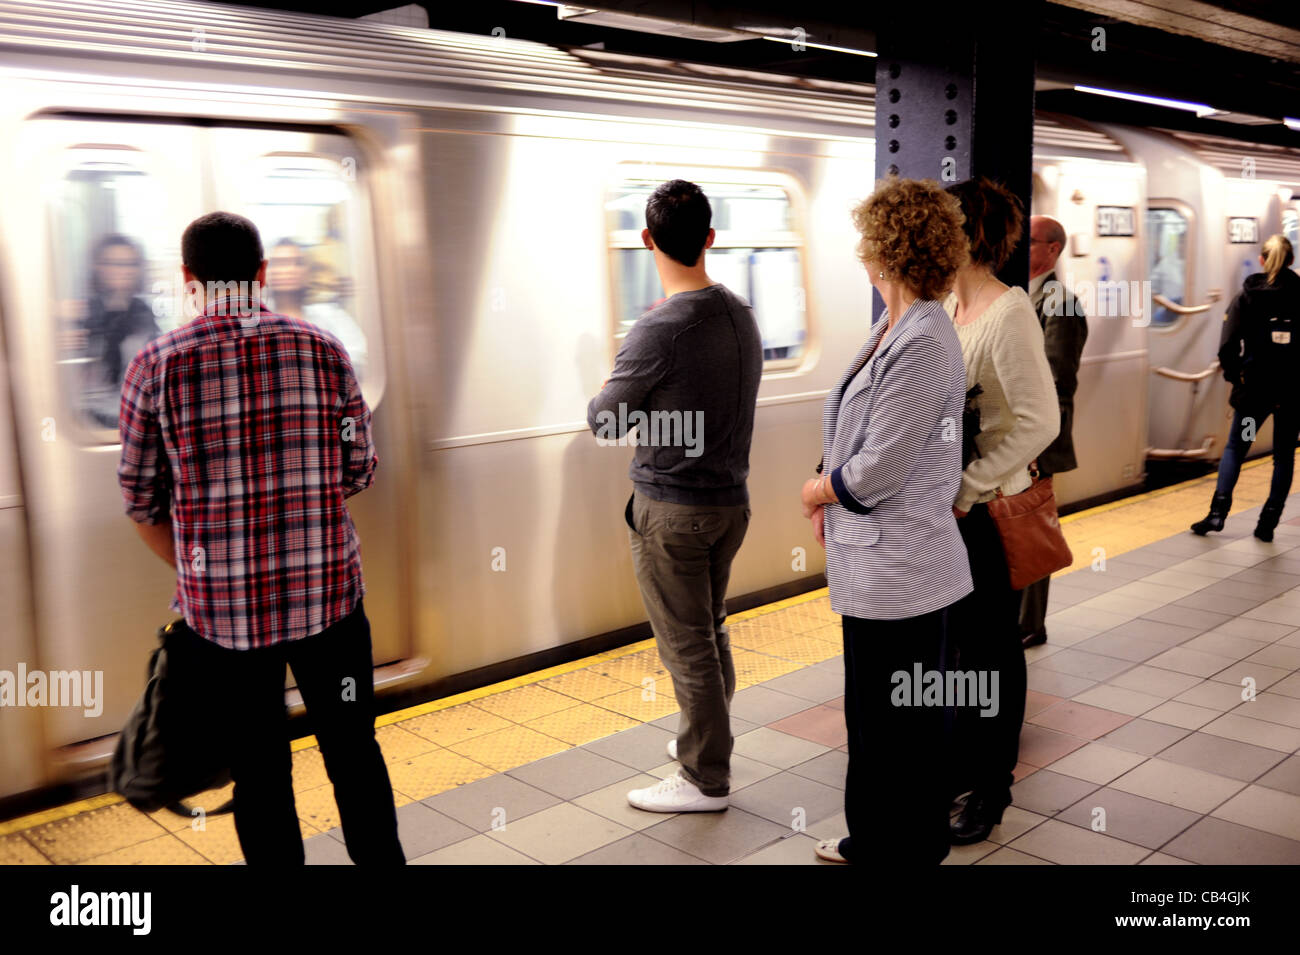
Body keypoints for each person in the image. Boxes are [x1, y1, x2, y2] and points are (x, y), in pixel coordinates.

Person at [118, 212, 404, 865]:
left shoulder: (154, 366)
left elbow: (139, 500)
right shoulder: (323, 347)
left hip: (223, 627)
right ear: (263, 272)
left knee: (260, 774)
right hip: (330, 605)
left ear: (188, 280)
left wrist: (199, 570)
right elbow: (359, 467)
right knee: (354, 752)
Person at [800, 178, 973, 865]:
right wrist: (827, 489)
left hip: (901, 571)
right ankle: (873, 837)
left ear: (886, 251)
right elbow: (854, 426)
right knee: (872, 714)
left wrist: (819, 488)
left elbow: (878, 469)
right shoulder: (892, 327)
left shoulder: (926, 340)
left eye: (867, 240)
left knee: (897, 720)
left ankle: (906, 846)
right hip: (872, 562)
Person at [587, 180, 762, 813]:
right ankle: (706, 732)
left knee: (685, 642)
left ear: (647, 240)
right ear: (710, 239)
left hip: (673, 508)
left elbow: (606, 421)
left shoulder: (658, 328)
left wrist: (614, 385)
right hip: (728, 503)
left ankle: (704, 777)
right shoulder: (739, 313)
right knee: (708, 629)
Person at [943, 178, 1059, 846]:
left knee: (990, 651)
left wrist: (971, 483)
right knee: (958, 650)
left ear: (967, 234)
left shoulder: (1006, 309)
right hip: (948, 516)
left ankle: (992, 786)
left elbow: (1040, 418)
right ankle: (960, 765)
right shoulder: (947, 307)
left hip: (985, 514)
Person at [1191, 233, 1300, 541]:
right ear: (1292, 260)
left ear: (1262, 260)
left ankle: (1217, 515)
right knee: (1283, 455)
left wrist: (1236, 377)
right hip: (1291, 396)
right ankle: (1268, 522)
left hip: (1256, 395)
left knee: (1238, 447)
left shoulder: (1247, 297)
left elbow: (1227, 345)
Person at [1020, 215, 1088, 648]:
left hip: (1038, 439)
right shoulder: (1020, 295)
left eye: (1029, 242)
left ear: (1053, 249)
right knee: (1019, 527)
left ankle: (1030, 624)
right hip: (1023, 435)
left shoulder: (1059, 300)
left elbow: (1055, 377)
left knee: (1031, 529)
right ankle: (1023, 619)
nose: (1019, 248)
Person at [72, 234, 160, 428]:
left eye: (130, 264)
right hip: (90, 417)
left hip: (136, 415)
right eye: (113, 263)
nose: (123, 271)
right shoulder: (84, 312)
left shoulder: (143, 313)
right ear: (98, 267)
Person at [267, 237, 368, 382]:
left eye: (297, 263)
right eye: (279, 263)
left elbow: (357, 360)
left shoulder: (331, 316)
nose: (288, 270)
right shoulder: (253, 321)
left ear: (307, 272)